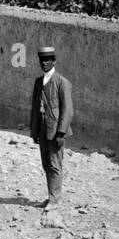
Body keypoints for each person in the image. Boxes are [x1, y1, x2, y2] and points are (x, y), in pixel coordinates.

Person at [29, 46, 74, 210]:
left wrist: (61, 132)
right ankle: (50, 196)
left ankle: (55, 199)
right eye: (42, 60)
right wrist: (34, 130)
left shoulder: (62, 82)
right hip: (42, 128)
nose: (45, 63)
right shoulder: (38, 82)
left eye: (48, 59)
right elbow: (35, 108)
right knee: (46, 164)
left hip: (56, 130)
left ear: (54, 61)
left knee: (55, 164)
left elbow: (67, 110)